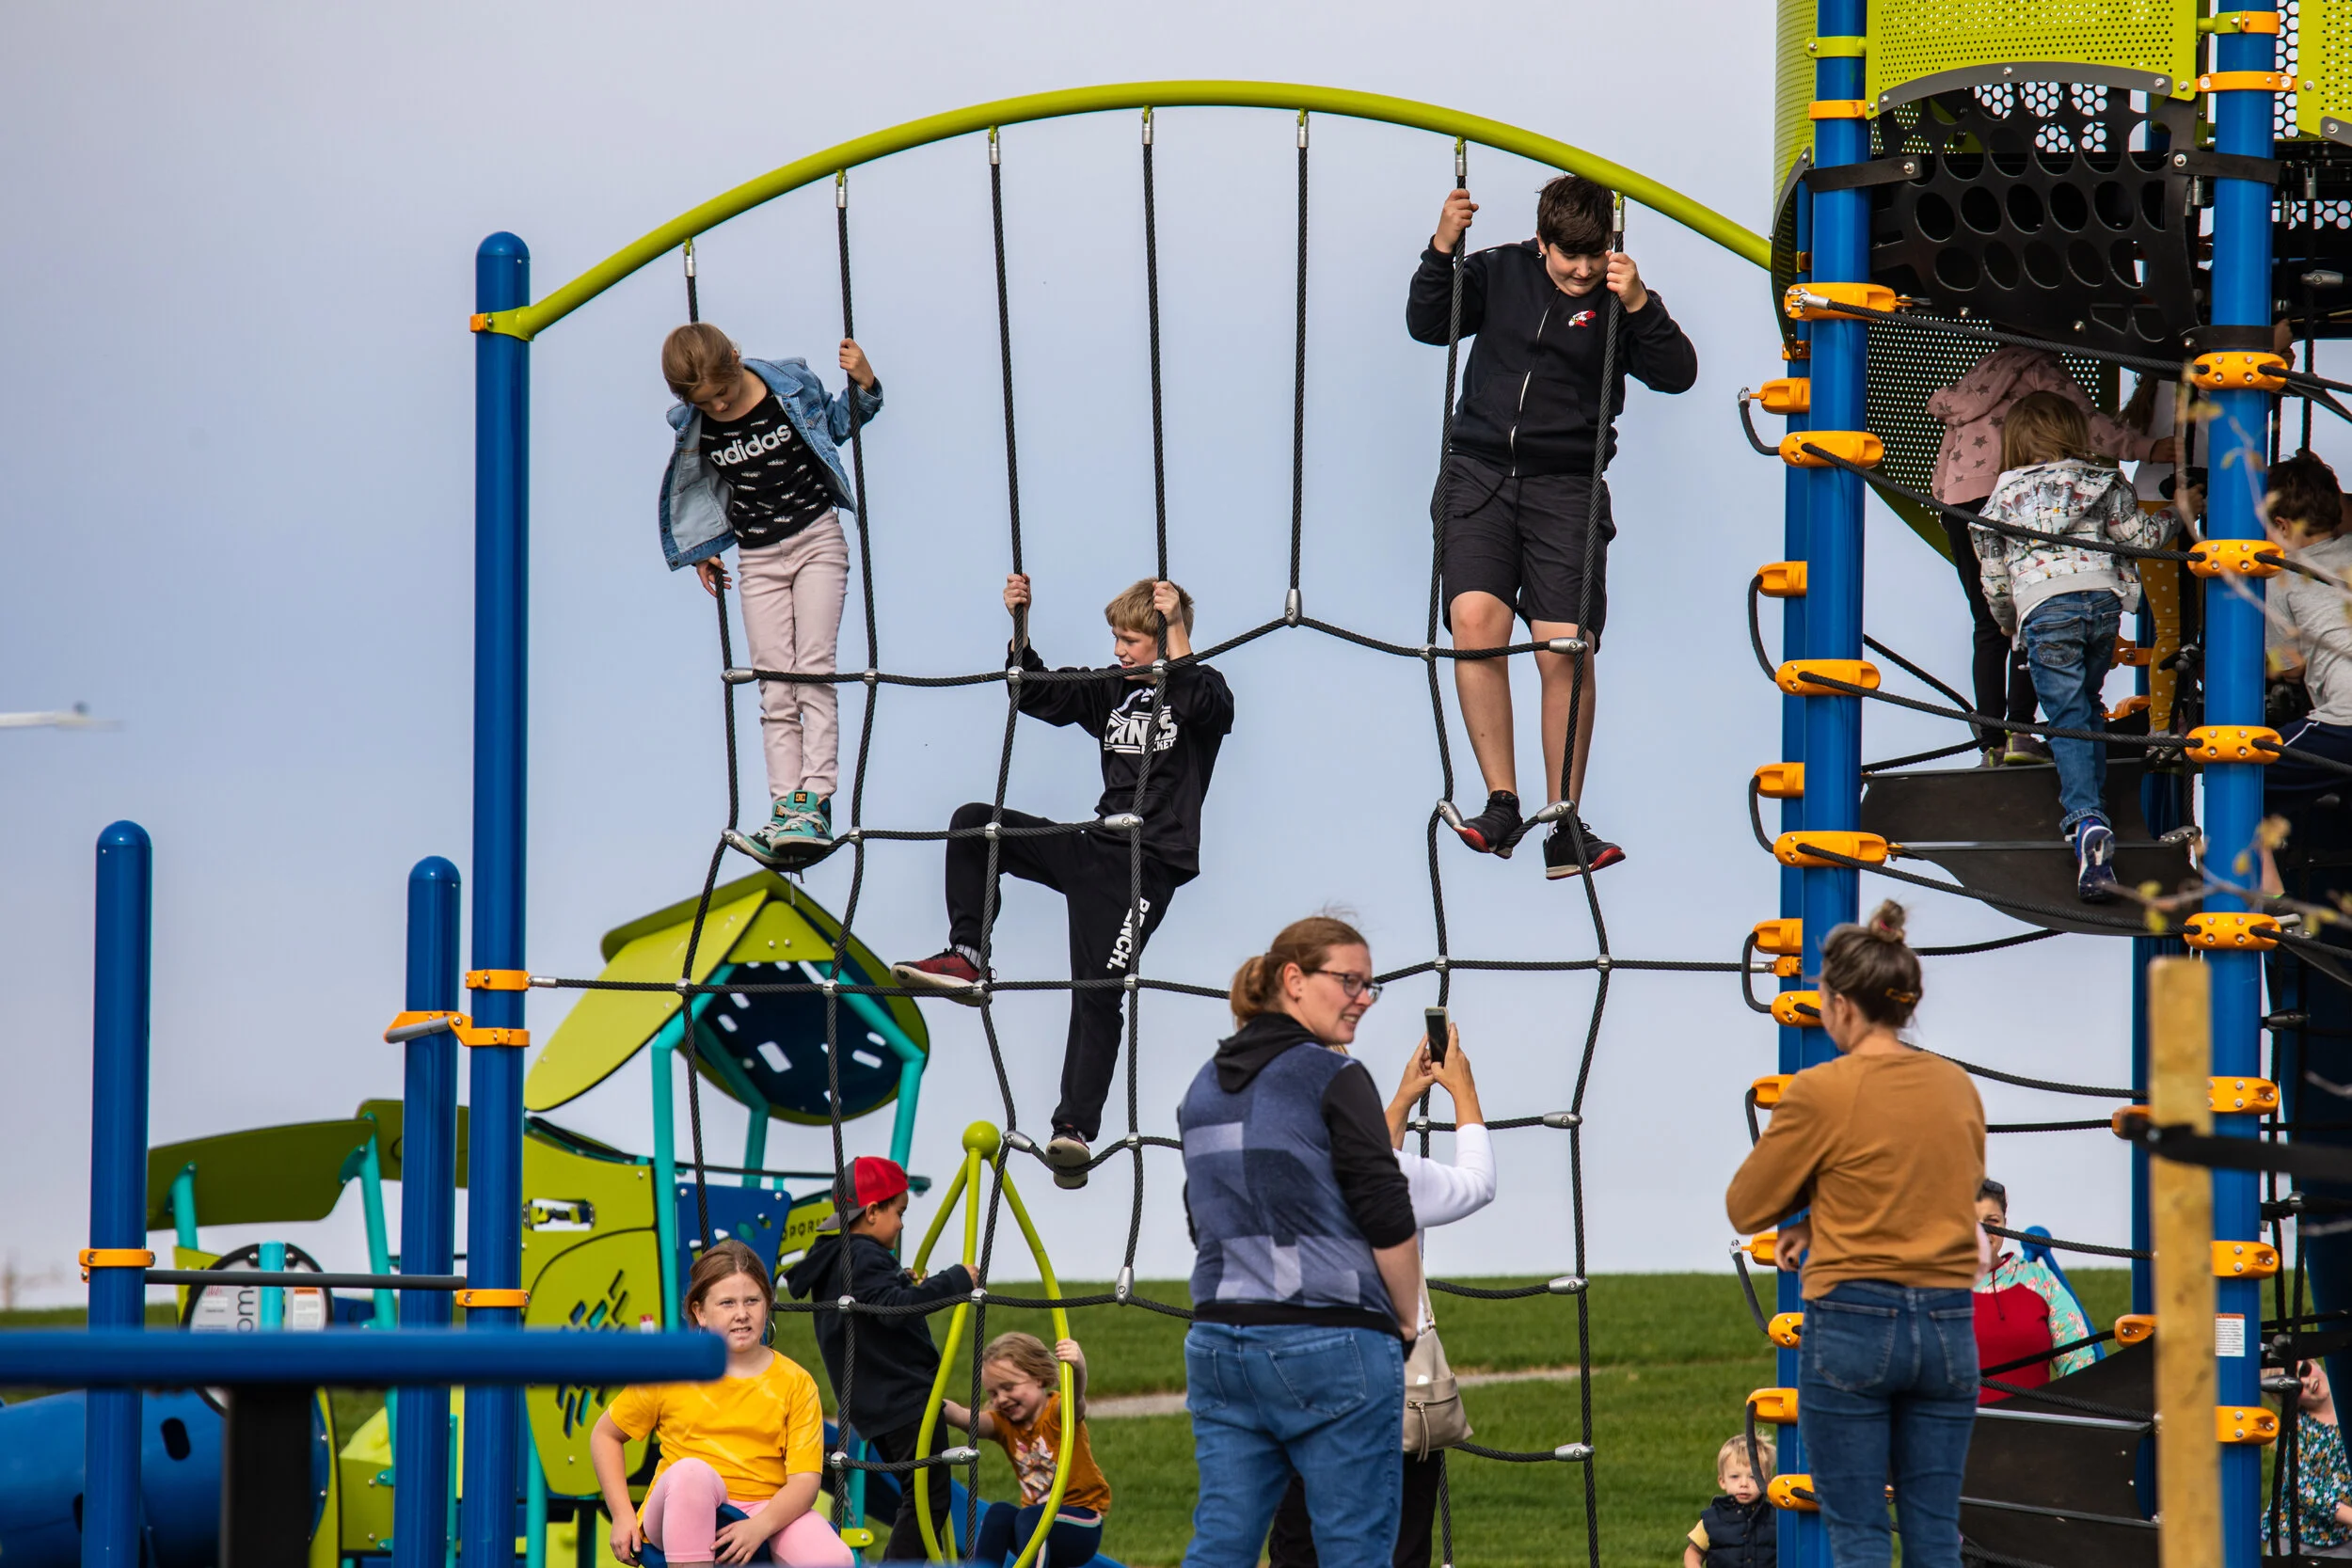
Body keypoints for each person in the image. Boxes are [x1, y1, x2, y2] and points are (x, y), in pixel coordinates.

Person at [892, 576, 1235, 1186]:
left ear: (1163, 640)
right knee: (977, 826)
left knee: (1097, 989)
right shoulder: (1110, 689)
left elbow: (1203, 703)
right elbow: (1036, 693)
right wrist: (1020, 624)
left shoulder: (1201, 691)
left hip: (1146, 865)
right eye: (1116, 638)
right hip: (1094, 842)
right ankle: (969, 953)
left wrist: (1175, 627)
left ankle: (1073, 1127)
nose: (1121, 649)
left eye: (1132, 639)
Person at [1406, 174, 1698, 878]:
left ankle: (1564, 820)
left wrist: (1638, 303)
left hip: (1565, 488)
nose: (1580, 269)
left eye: (1593, 256)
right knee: (1474, 618)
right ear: (1542, 243)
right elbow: (1427, 323)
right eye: (1567, 255)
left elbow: (1678, 372)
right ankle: (1502, 802)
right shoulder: (1501, 271)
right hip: (1478, 471)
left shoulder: (1619, 298)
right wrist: (1443, 245)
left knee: (1562, 648)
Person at [1725, 902, 1986, 1568]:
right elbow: (1936, 1192)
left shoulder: (1822, 1090)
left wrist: (1808, 1210)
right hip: (1950, 1322)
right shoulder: (1957, 1088)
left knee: (1860, 1534)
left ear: (1841, 1004)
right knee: (1934, 1533)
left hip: (1854, 1319)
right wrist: (1820, 1215)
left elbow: (1745, 1204)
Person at [1178, 913, 1422, 1568]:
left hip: (1219, 1344)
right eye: (1349, 980)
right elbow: (1385, 1206)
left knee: (1221, 1544)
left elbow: (1198, 1218)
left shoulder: (1200, 1088)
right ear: (1293, 979)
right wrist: (1405, 1316)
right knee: (1355, 1549)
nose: (1363, 998)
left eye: (1371, 986)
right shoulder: (1332, 1074)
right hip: (1333, 1339)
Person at [1264, 1025, 1498, 1568]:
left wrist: (1400, 1102)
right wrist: (1462, 1090)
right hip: (1390, 1403)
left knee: (1300, 1550)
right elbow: (1478, 1182)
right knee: (1399, 1549)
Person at [659, 323, 883, 868]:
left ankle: (816, 799)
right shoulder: (695, 427)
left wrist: (865, 384)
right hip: (757, 559)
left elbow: (835, 425)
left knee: (813, 671)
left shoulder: (788, 386)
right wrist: (704, 548)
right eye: (706, 401)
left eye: (724, 392)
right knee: (773, 684)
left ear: (736, 357)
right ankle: (785, 808)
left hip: (815, 542)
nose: (720, 404)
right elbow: (699, 488)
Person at [1971, 391, 2173, 902]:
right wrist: (2181, 513)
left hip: (2044, 610)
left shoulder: (1996, 503)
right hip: (2101, 605)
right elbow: (2143, 539)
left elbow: (1994, 585)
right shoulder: (2103, 481)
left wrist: (2006, 622)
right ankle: (2099, 804)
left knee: (2066, 718)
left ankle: (2086, 820)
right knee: (2084, 706)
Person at [1928, 346, 2170, 768]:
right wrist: (2147, 448)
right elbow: (2086, 425)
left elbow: (1948, 451)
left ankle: (1991, 741)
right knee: (2032, 602)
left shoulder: (1971, 383)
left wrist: (1945, 501)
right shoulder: (2038, 367)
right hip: (2023, 488)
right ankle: (2021, 730)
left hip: (1960, 502)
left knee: (1987, 623)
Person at [591, 1241, 853, 1567]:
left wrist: (760, 1526)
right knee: (692, 1473)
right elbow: (605, 1435)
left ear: (768, 1305)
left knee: (833, 1558)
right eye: (727, 1303)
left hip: (767, 1510)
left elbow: (804, 1481)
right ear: (700, 1312)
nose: (741, 1314)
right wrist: (621, 1514)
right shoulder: (672, 1369)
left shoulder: (795, 1383)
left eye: (752, 1301)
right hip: (684, 1502)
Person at [779, 1157, 974, 1563]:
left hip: (874, 1403)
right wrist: (956, 1280)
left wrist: (899, 1279)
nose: (901, 1224)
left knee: (919, 1494)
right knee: (929, 1500)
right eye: (898, 1212)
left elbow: (878, 1305)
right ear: (871, 1212)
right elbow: (895, 1309)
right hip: (901, 1397)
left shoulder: (835, 1257)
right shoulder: (861, 1257)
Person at [2260, 454, 2352, 896]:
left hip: (2346, 719)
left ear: (2280, 526)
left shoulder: (2282, 575)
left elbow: (2289, 665)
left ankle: (2269, 890)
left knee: (2244, 779)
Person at [939, 1331, 1110, 1566]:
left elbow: (1076, 1397)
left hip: (1081, 1523)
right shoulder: (1004, 1423)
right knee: (999, 1513)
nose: (1001, 1399)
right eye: (993, 1393)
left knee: (1031, 1516)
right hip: (1034, 1526)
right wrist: (929, 1401)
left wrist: (1078, 1367)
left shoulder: (1057, 1412)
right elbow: (963, 1418)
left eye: (1008, 1387)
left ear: (1037, 1377)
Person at [1970, 1178, 2094, 1403]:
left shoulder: (2040, 1281)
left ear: (2005, 1224)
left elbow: (2081, 1368)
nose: (1983, 1233)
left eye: (1992, 1221)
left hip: (2033, 1433)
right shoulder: (1934, 1287)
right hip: (1956, 1435)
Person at [2284, 1356, 2352, 1554]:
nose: (2306, 1382)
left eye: (2304, 1370)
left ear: (2313, 1362)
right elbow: (2305, 1489)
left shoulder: (2346, 1403)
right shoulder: (2297, 1429)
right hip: (2304, 1541)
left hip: (2345, 1536)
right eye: (2296, 1387)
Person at [1684, 1433, 1777, 1568]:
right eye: (1735, 1476)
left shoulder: (1776, 1518)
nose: (1743, 1484)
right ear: (1722, 1481)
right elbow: (1693, 1552)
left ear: (1767, 1482)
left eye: (1753, 1477)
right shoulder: (1712, 1519)